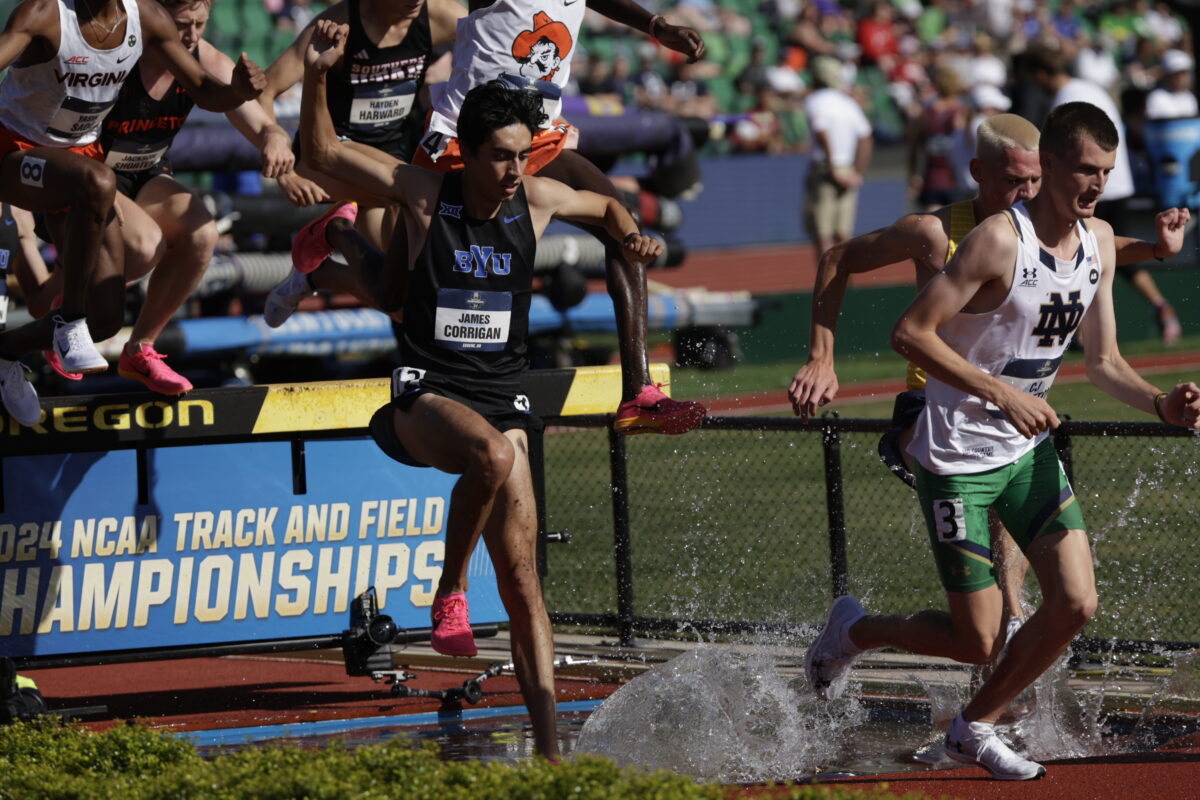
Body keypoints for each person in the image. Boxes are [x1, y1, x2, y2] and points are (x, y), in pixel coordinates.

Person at [292, 21, 685, 758]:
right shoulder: (422, 191)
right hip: (424, 395)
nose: (513, 170)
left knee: (527, 581)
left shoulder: (533, 199)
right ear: (467, 153)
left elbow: (602, 208)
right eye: (499, 157)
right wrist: (316, 76)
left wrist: (634, 236)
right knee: (493, 460)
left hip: (501, 394)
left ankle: (548, 755)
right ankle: (448, 591)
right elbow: (323, 154)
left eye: (520, 155)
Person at [804, 102, 1200, 781]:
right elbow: (911, 334)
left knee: (1076, 603)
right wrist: (1002, 392)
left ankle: (974, 725)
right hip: (956, 455)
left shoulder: (1099, 242)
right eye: (1083, 169)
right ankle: (853, 632)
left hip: (1025, 454)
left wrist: (1162, 405)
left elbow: (1103, 363)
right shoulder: (992, 239)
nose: (1096, 184)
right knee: (976, 637)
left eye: (1106, 171)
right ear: (1047, 165)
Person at [404, 0, 708, 418]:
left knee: (624, 226)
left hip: (539, 137)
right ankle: (334, 243)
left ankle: (638, 393)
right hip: (467, 143)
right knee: (403, 278)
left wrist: (655, 26)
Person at [0, 0, 264, 425]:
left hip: (79, 167)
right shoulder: (45, 14)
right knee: (99, 184)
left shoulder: (147, 18)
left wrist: (238, 92)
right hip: (16, 152)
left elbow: (201, 86)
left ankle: (7, 353)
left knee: (102, 323)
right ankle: (65, 317)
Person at [256, 0, 467, 253]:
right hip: (328, 157)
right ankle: (333, 232)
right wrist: (284, 170)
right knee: (422, 193)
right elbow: (264, 91)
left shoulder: (440, 16)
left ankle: (325, 253)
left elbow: (498, 47)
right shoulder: (339, 22)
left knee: (400, 275)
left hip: (391, 158)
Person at [1029, 41, 1182, 347]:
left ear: (1041, 74)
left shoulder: (1067, 98)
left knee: (1084, 251)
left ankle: (1083, 331)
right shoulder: (1087, 87)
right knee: (1100, 251)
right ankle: (1160, 308)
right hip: (1116, 181)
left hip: (1093, 183)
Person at [803, 55, 873, 256]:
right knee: (844, 233)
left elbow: (821, 130)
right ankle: (847, 285)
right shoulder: (847, 103)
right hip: (847, 167)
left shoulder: (815, 101)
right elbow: (866, 138)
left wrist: (833, 165)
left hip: (825, 168)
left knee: (822, 232)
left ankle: (828, 285)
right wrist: (857, 171)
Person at [1145, 49, 1198, 120]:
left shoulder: (1190, 97)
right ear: (1167, 76)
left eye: (1184, 74)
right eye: (1177, 75)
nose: (1182, 79)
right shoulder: (1155, 98)